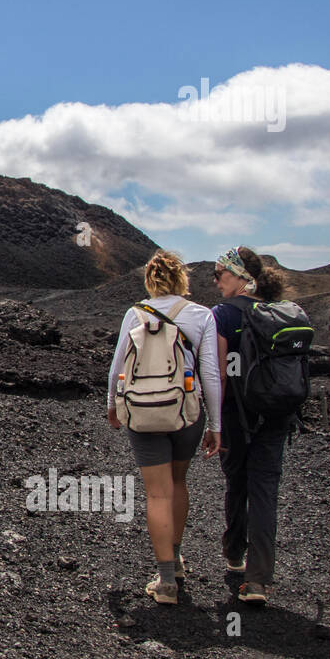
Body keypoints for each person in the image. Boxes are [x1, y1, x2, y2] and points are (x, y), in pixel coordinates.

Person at [107, 251, 222, 605]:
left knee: (157, 493)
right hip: (185, 412)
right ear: (181, 279)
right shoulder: (202, 315)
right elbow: (212, 375)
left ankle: (167, 580)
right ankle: (178, 556)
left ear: (150, 280)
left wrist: (113, 406)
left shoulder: (135, 313)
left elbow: (116, 370)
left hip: (142, 412)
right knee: (178, 481)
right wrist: (216, 424)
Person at [211, 246, 292, 605]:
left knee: (237, 483)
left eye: (220, 274)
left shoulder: (223, 315)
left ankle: (233, 555)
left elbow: (221, 374)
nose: (215, 281)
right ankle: (258, 581)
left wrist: (213, 420)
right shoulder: (280, 314)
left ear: (242, 277)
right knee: (264, 491)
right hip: (276, 414)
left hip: (234, 415)